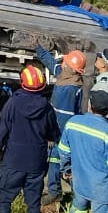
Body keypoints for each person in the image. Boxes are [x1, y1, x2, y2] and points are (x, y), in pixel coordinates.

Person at [0, 62, 60, 213]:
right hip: (36, 164)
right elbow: (54, 134)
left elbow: (0, 132)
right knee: (33, 204)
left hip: (12, 162)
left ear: (22, 83)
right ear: (42, 86)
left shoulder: (12, 104)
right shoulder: (46, 108)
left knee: (4, 202)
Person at [35, 48, 86, 205]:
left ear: (69, 67)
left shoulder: (70, 88)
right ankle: (63, 191)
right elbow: (51, 64)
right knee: (56, 159)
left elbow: (64, 115)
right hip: (62, 127)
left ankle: (61, 192)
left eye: (65, 62)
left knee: (57, 159)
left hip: (61, 129)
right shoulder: (69, 78)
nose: (62, 63)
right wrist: (40, 50)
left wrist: (53, 134)